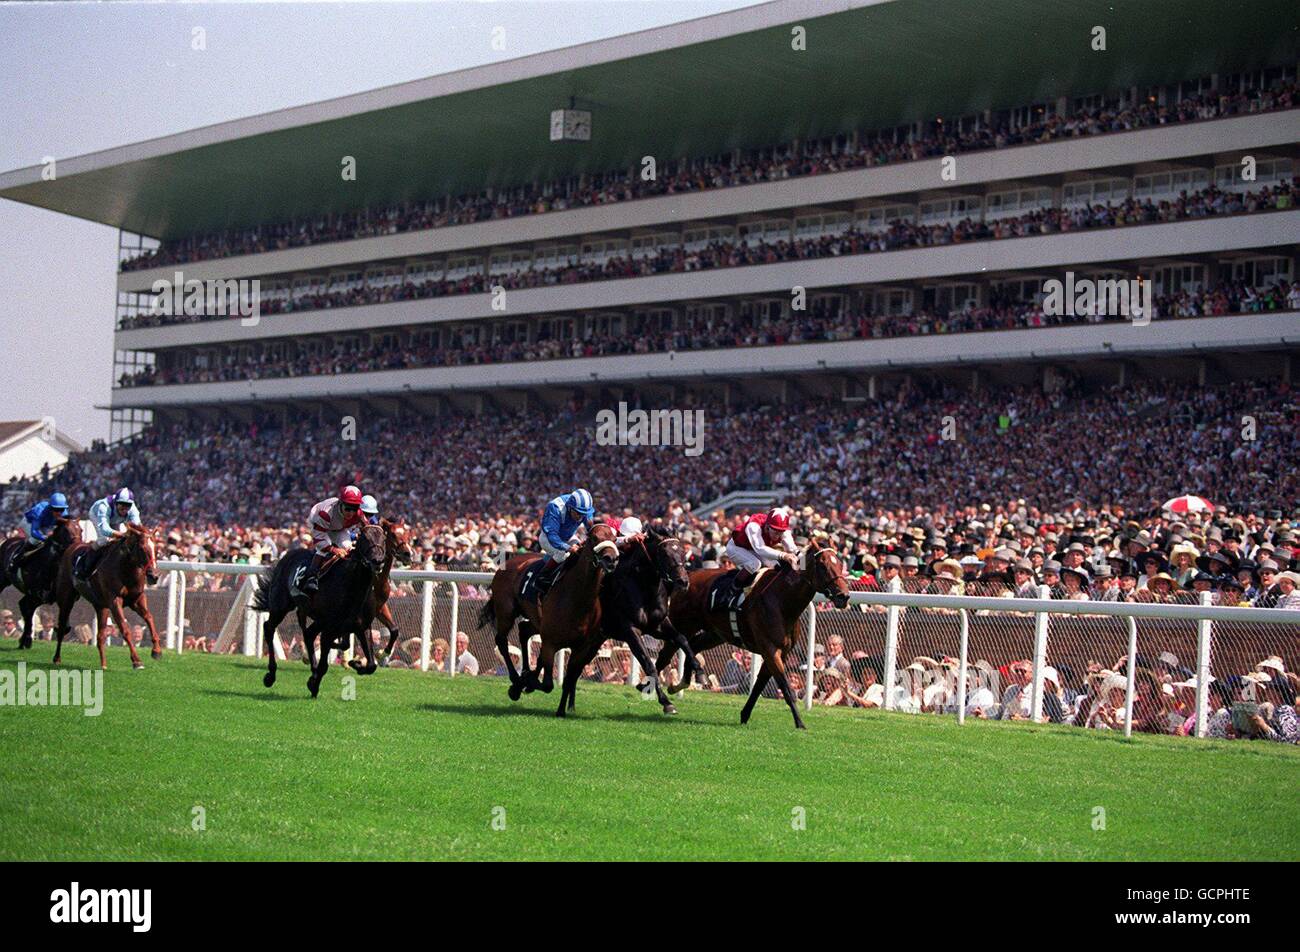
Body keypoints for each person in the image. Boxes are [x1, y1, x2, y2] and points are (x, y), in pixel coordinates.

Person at [297, 486, 366, 598]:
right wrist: (333, 549)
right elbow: (318, 539)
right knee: (323, 548)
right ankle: (312, 577)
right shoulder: (326, 513)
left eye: (355, 508)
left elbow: (368, 528)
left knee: (347, 546)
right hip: (319, 524)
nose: (351, 512)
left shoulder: (359, 513)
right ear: (340, 503)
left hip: (338, 527)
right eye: (348, 508)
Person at [722, 507, 797, 602]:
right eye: (775, 531)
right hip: (736, 547)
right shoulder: (754, 526)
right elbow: (760, 549)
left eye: (781, 532)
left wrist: (802, 567)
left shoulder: (784, 531)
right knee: (754, 564)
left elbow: (793, 549)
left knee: (776, 565)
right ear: (767, 526)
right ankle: (732, 590)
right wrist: (784, 555)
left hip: (754, 549)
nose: (778, 535)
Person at [534, 488, 596, 597]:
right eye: (578, 513)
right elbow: (552, 535)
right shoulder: (555, 507)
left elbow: (590, 528)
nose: (580, 517)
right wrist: (567, 547)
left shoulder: (584, 509)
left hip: (568, 535)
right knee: (562, 554)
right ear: (570, 507)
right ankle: (542, 577)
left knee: (581, 552)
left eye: (584, 514)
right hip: (548, 538)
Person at [76, 488, 143, 582]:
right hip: (96, 515)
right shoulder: (104, 506)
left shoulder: (133, 510)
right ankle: (83, 564)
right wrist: (121, 534)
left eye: (128, 505)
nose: (124, 508)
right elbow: (104, 530)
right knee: (104, 541)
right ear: (116, 502)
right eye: (122, 504)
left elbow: (138, 527)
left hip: (114, 520)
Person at [12, 492, 70, 577]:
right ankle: (16, 559)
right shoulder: (40, 510)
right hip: (29, 523)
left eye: (61, 509)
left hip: (45, 525)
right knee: (36, 540)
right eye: (56, 509)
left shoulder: (64, 513)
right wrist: (44, 538)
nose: (59, 513)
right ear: (50, 508)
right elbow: (34, 531)